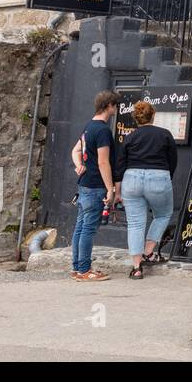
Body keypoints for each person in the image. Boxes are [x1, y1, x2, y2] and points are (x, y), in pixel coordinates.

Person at [116, 101, 179, 280]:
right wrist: (166, 179)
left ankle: (136, 268)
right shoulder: (165, 134)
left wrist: (117, 191)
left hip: (131, 179)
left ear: (136, 118)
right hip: (159, 176)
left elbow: (120, 164)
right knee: (162, 215)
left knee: (135, 224)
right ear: (153, 115)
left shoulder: (130, 137)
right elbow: (172, 160)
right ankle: (149, 252)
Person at [70, 90, 119, 282]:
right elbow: (103, 162)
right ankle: (84, 270)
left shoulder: (88, 126)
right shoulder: (103, 130)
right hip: (96, 186)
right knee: (88, 229)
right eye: (115, 106)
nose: (116, 109)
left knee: (80, 227)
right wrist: (110, 188)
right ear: (109, 106)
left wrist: (79, 165)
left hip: (84, 185)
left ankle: (77, 268)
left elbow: (75, 150)